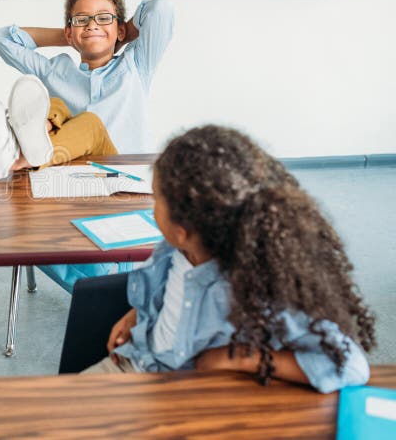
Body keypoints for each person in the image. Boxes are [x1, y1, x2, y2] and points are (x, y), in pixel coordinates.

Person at [83, 125, 376, 394]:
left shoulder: (262, 284)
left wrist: (240, 357)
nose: (152, 203)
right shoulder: (175, 249)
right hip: (138, 361)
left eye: (156, 197)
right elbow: (173, 296)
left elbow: (350, 366)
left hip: (186, 395)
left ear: (183, 230)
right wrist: (136, 316)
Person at [0, 0, 174, 290]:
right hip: (69, 184)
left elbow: (160, 10)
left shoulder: (136, 66)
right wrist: (71, 37)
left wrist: (119, 34)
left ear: (120, 29)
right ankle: (29, 143)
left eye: (103, 18)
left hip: (125, 183)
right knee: (51, 106)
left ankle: (18, 154)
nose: (92, 25)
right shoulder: (56, 70)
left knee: (89, 122)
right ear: (70, 31)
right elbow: (2, 39)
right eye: (82, 20)